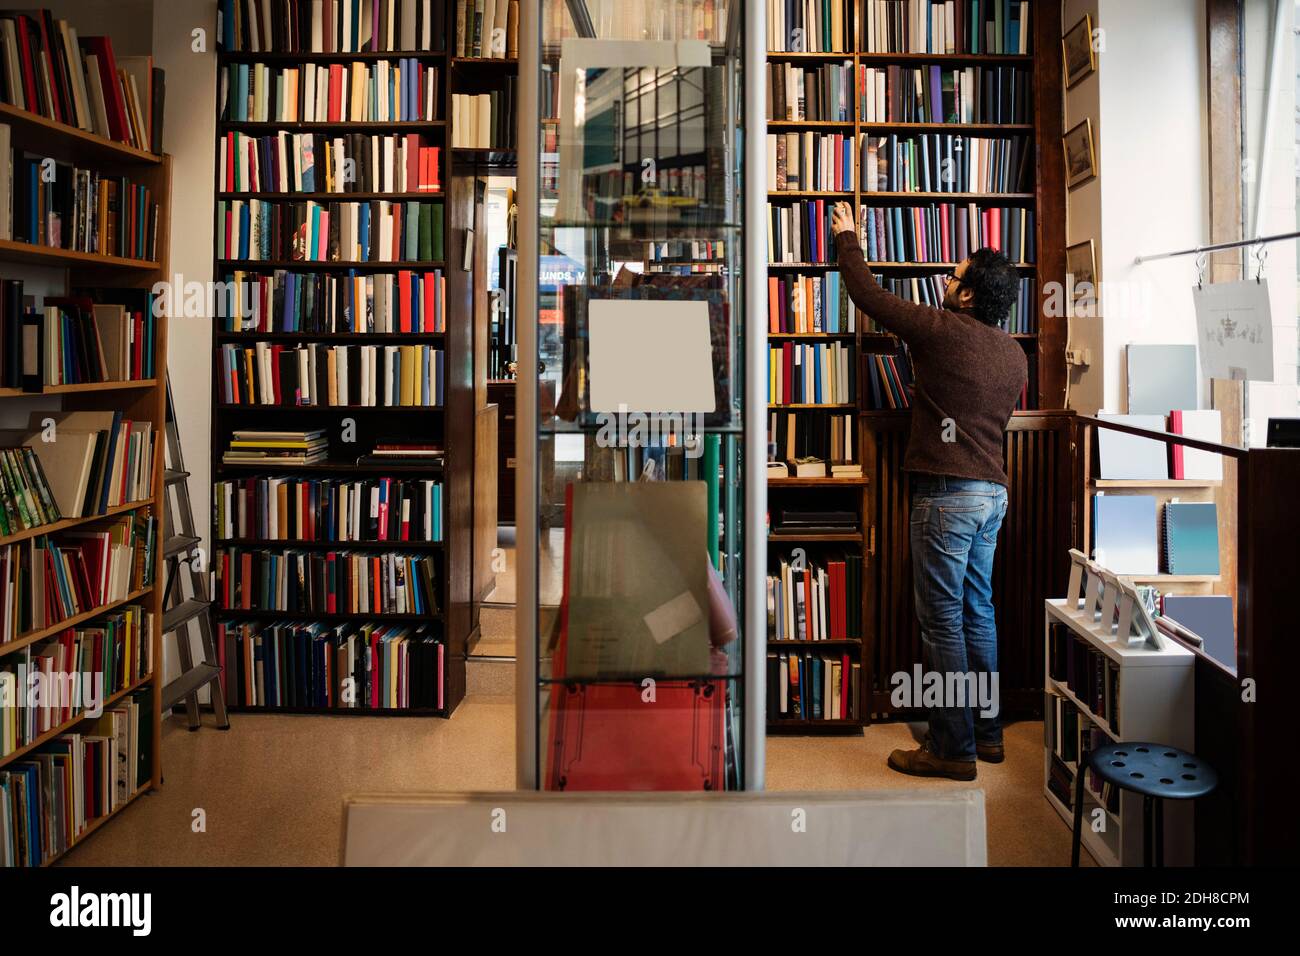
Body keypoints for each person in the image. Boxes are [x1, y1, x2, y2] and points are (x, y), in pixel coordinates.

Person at [830, 201, 1027, 781]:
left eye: (955, 275)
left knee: (941, 621)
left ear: (966, 295)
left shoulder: (941, 328)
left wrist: (847, 236)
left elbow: (868, 296)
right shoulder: (1013, 354)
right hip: (993, 495)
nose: (946, 279)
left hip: (946, 497)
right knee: (978, 614)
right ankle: (986, 735)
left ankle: (950, 747)